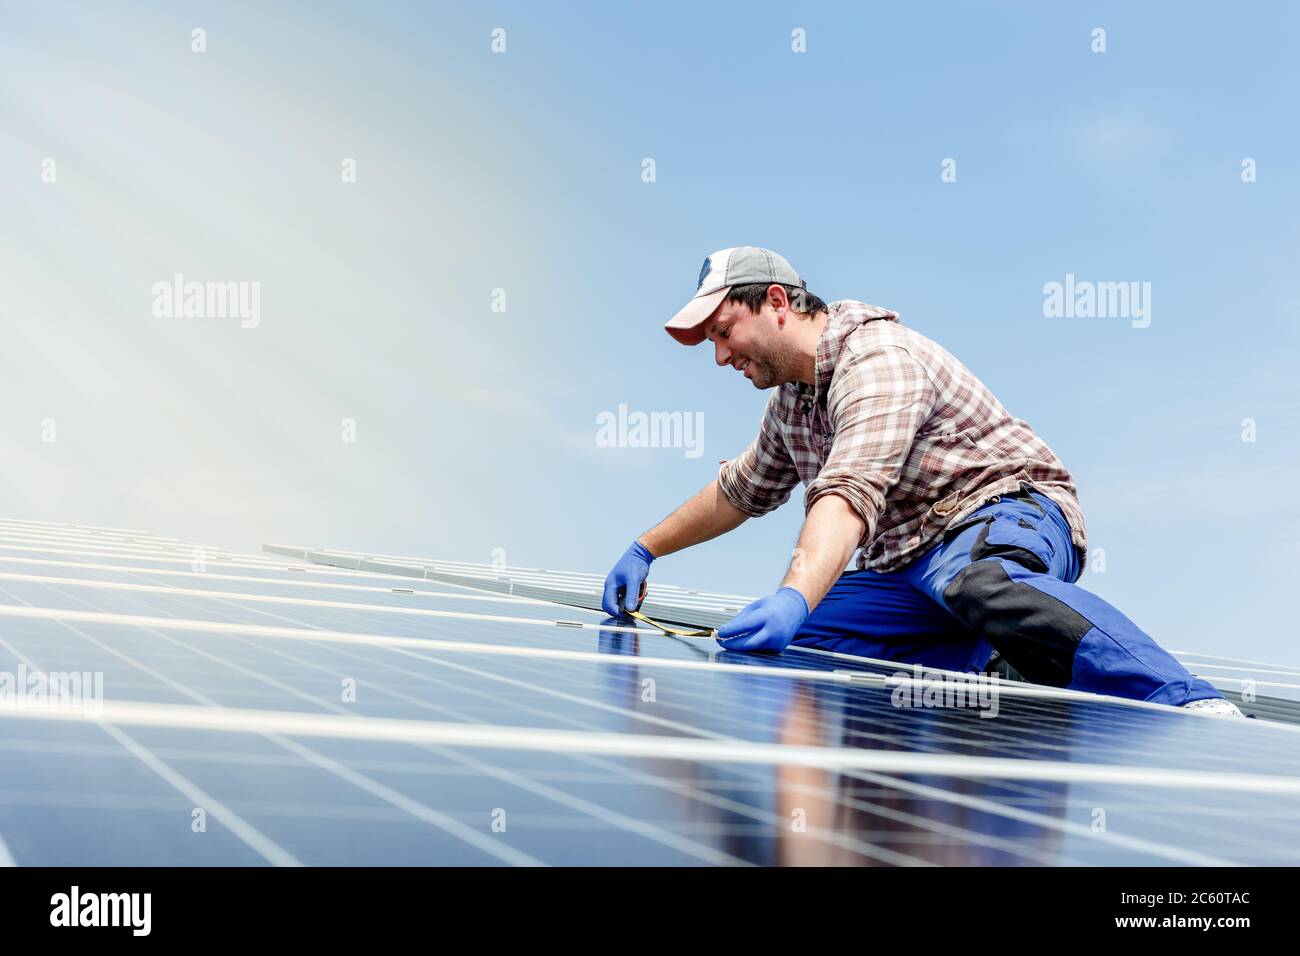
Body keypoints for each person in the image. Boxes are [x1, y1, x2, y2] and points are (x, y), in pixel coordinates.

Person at [602, 246, 1240, 715]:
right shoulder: (792, 405)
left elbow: (849, 489)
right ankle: (987, 666)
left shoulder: (878, 359)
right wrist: (646, 547)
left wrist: (795, 592)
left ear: (775, 303)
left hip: (999, 512)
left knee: (975, 582)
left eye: (723, 333)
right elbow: (739, 491)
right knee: (795, 643)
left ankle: (1184, 701)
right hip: (907, 567)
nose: (720, 356)